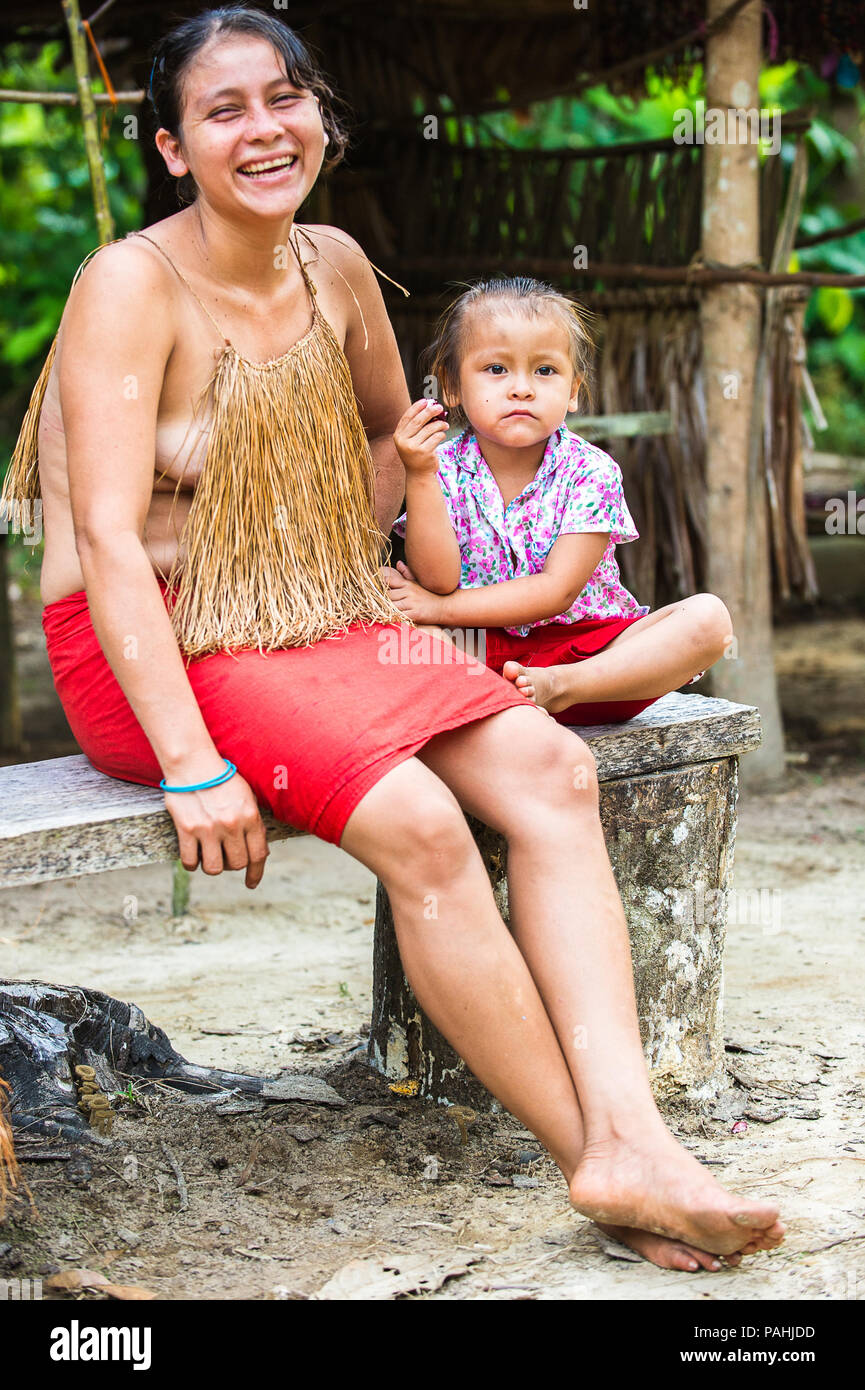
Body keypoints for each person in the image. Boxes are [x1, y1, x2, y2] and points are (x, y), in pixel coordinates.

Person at [1, 5, 784, 1271]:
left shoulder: (336, 266)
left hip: (314, 615)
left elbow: (386, 430)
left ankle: (634, 1135)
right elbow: (98, 545)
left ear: (319, 116)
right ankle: (590, 1156)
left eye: (285, 97)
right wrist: (194, 762)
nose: (264, 129)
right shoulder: (128, 288)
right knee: (422, 820)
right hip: (153, 650)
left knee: (552, 768)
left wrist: (338, 542)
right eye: (224, 110)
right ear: (171, 149)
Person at [387, 276, 731, 724]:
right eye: (496, 369)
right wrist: (419, 473)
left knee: (709, 620)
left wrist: (439, 609)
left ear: (572, 391)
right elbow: (437, 580)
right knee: (404, 640)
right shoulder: (442, 466)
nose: (522, 388)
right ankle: (501, 702)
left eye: (545, 371)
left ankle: (559, 689)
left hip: (594, 658)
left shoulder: (591, 471)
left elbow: (556, 591)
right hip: (480, 653)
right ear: (451, 385)